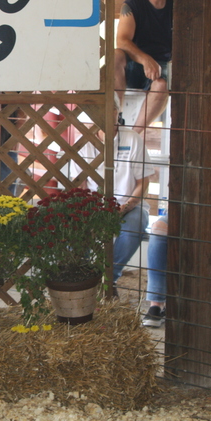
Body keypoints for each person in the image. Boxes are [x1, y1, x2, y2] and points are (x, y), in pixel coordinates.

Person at [142, 117, 211, 327]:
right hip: (194, 214)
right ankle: (156, 304)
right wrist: (183, 217)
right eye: (209, 132)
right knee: (158, 229)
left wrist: (197, 225)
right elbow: (179, 195)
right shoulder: (191, 153)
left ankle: (209, 308)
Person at [68, 94, 155, 293]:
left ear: (118, 112)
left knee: (137, 222)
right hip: (93, 204)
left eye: (112, 109)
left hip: (129, 204)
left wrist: (126, 207)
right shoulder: (83, 142)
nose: (108, 115)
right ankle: (83, 276)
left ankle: (108, 278)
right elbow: (79, 186)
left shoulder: (132, 139)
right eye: (100, 111)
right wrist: (91, 210)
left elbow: (144, 182)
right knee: (73, 222)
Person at [114, 0, 172, 136]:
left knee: (162, 84)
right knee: (116, 55)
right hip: (135, 66)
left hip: (164, 67)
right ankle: (115, 118)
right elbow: (122, 40)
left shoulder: (179, 1)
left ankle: (134, 134)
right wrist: (145, 59)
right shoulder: (132, 5)